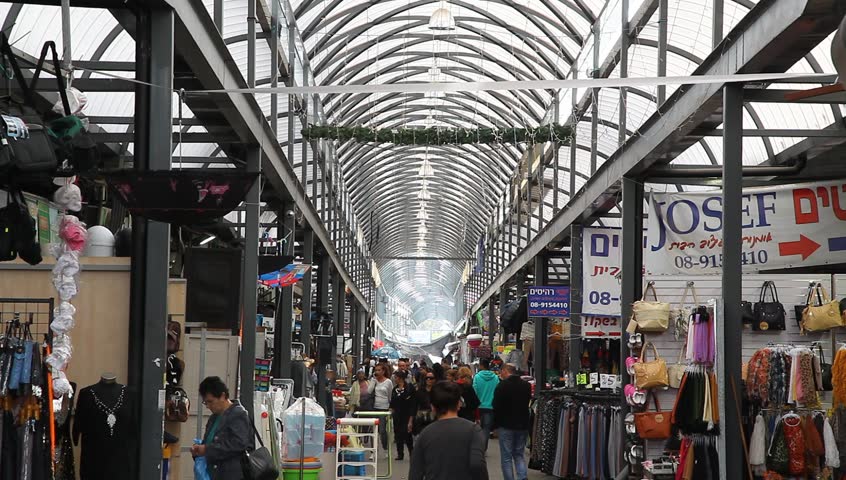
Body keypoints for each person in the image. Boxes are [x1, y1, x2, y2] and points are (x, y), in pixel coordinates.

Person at [409, 381, 488, 480]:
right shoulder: (473, 430)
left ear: (433, 407)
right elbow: (477, 464)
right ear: (459, 404)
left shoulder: (426, 433)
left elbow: (415, 472)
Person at [191, 376, 254, 480]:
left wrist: (207, 449)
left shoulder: (238, 414)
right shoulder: (214, 418)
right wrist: (199, 450)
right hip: (215, 473)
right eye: (205, 402)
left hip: (232, 474)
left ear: (223, 396)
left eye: (210, 401)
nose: (208, 406)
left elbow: (238, 444)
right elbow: (210, 442)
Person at [493, 364, 532, 480]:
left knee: (506, 457)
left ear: (505, 371)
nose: (501, 374)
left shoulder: (502, 386)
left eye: (501, 371)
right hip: (522, 424)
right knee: (519, 454)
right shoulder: (526, 386)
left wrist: (495, 425)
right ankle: (522, 477)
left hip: (506, 425)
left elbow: (496, 406)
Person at [473, 358, 500, 450]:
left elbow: (475, 391)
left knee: (478, 428)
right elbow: (497, 392)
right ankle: (483, 448)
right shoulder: (495, 378)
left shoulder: (477, 377)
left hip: (479, 406)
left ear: (481, 366)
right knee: (486, 429)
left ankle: (478, 448)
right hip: (490, 406)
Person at [390, 371, 417, 460]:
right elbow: (392, 403)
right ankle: (400, 453)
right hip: (397, 415)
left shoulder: (409, 388)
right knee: (398, 434)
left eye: (396, 377)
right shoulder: (395, 390)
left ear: (400, 378)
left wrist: (411, 419)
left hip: (407, 415)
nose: (395, 379)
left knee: (407, 434)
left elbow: (413, 404)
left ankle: (412, 452)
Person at [372, 363, 394, 450]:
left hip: (384, 408)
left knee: (382, 430)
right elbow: (369, 391)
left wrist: (390, 407)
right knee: (373, 429)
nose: (377, 372)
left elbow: (390, 395)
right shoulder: (374, 380)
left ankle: (385, 448)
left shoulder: (388, 382)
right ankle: (373, 450)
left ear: (383, 371)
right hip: (374, 407)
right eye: (376, 370)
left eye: (379, 370)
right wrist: (373, 380)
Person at [413, 371, 436, 436]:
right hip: (421, 419)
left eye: (431, 378)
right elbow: (414, 406)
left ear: (434, 379)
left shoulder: (437, 391)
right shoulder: (419, 391)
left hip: (434, 419)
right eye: (427, 378)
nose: (429, 379)